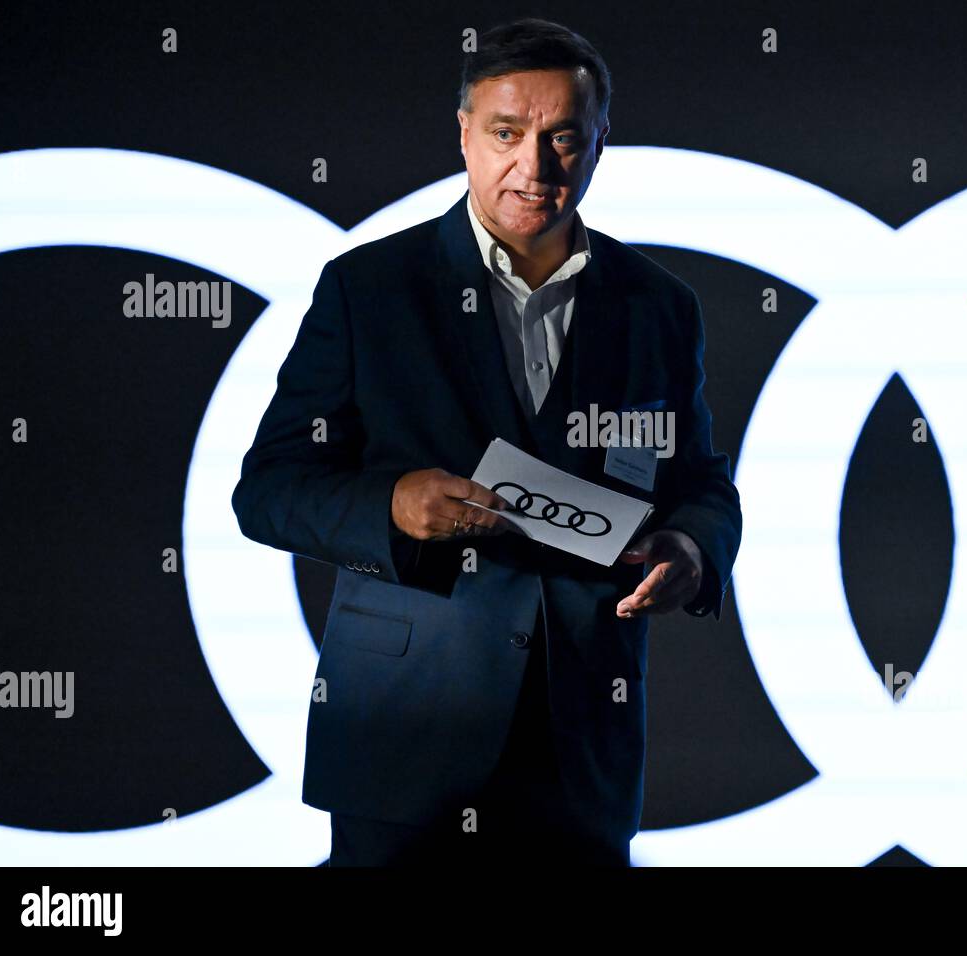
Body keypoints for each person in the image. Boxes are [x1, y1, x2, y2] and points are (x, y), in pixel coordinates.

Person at [231, 17, 741, 868]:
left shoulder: (659, 305)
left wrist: (691, 547)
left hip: (583, 739)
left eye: (562, 138)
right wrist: (389, 506)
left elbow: (701, 484)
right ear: (464, 134)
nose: (533, 167)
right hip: (404, 729)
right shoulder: (369, 290)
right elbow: (269, 488)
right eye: (506, 134)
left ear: (601, 143)